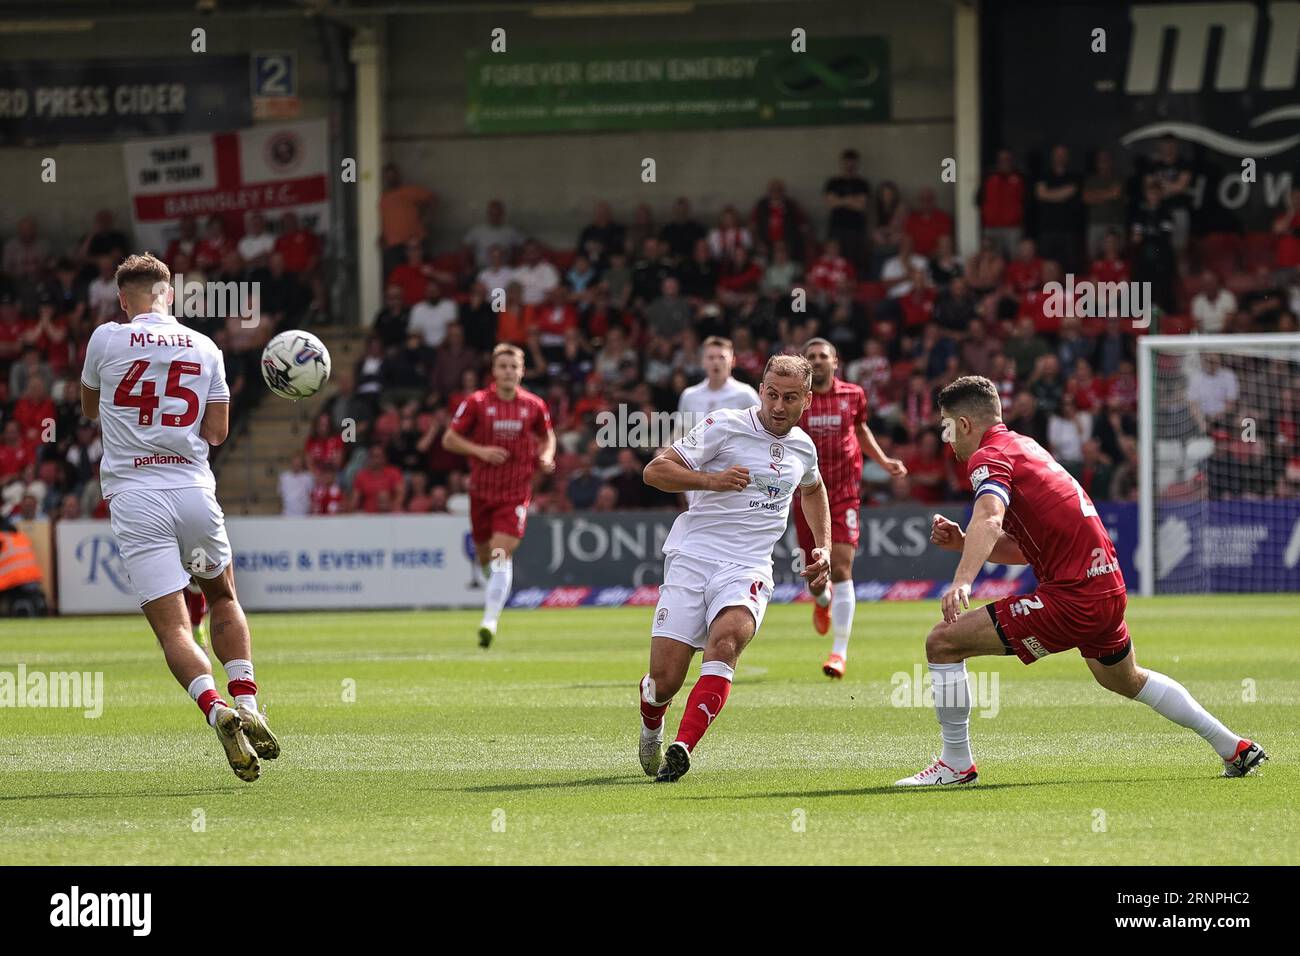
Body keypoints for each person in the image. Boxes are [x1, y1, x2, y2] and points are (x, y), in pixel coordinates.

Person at [896, 375, 1267, 785]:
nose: (946, 438)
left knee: (942, 642)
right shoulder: (1025, 447)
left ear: (965, 424)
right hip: (1107, 588)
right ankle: (1233, 746)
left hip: (1075, 597)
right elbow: (1023, 549)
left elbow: (989, 516)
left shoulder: (987, 458)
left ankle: (955, 763)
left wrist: (962, 580)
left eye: (946, 426)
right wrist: (965, 542)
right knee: (1125, 679)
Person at [79, 252, 278, 783]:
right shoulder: (207, 346)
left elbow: (87, 408)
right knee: (223, 598)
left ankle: (216, 708)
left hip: (135, 494)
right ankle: (250, 701)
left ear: (124, 299)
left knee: (174, 627)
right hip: (193, 488)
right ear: (170, 294)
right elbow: (216, 433)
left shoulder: (105, 338)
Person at [639, 355, 831, 783]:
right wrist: (712, 480)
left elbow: (814, 491)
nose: (778, 406)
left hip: (748, 566)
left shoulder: (803, 447)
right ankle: (652, 718)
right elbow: (655, 472)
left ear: (807, 400)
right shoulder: (723, 425)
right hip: (693, 557)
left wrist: (824, 547)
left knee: (725, 644)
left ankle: (682, 748)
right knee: (665, 681)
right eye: (772, 394)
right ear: (761, 388)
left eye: (790, 398)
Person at [796, 339, 907, 677]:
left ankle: (838, 653)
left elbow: (859, 429)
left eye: (822, 356)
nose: (817, 361)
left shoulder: (853, 395)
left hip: (844, 492)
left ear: (835, 361)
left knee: (842, 568)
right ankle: (821, 600)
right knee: (817, 575)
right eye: (811, 357)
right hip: (806, 492)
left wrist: (884, 461)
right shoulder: (798, 398)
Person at [442, 344, 556, 648]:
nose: (508, 371)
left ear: (521, 371)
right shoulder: (477, 402)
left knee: (499, 553)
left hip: (515, 493)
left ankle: (489, 620)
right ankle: (491, 592)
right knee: (485, 555)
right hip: (481, 493)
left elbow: (547, 437)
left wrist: (546, 456)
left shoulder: (534, 405)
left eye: (513, 367)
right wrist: (480, 451)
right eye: (503, 366)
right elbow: (449, 439)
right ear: (494, 371)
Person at [676, 336, 759, 429]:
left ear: (733, 361)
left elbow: (762, 429)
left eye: (722, 357)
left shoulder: (746, 393)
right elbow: (681, 434)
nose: (716, 362)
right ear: (702, 362)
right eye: (711, 357)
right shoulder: (689, 396)